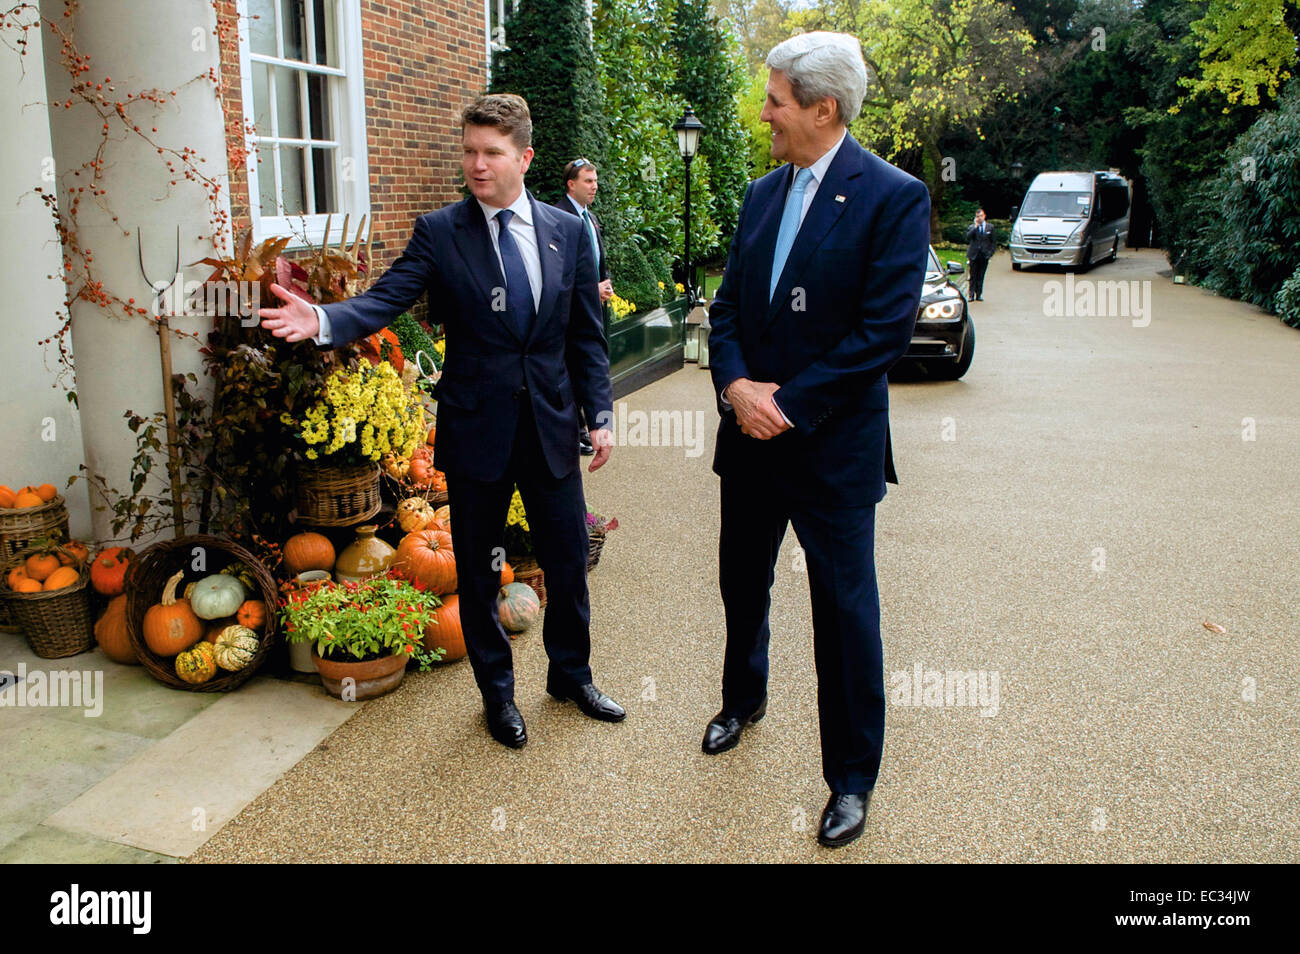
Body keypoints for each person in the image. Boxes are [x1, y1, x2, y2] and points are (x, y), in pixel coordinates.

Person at [258, 93, 624, 750]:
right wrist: (326, 319)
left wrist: (599, 411)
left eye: (491, 153)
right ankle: (499, 698)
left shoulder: (566, 232)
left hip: (549, 428)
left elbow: (584, 335)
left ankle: (571, 676)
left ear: (525, 157)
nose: (476, 166)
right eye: (469, 152)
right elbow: (387, 298)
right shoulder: (440, 231)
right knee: (480, 574)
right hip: (477, 431)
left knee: (567, 566)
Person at [705, 31, 930, 849]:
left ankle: (851, 781)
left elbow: (882, 334)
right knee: (742, 585)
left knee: (843, 615)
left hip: (832, 448)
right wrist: (735, 388)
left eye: (775, 100)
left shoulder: (894, 196)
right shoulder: (763, 193)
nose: (764, 112)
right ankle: (742, 700)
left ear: (822, 108)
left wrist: (786, 405)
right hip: (749, 438)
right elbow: (727, 308)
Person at [552, 158, 614, 456]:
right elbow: (557, 277)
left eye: (596, 180)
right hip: (568, 318)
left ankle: (584, 428)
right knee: (572, 369)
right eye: (588, 181)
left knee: (589, 363)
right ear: (571, 184)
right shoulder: (557, 219)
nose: (594, 186)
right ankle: (574, 432)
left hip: (593, 311)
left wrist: (605, 281)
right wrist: (591, 290)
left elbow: (595, 261)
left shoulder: (590, 218)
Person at [965, 208, 995, 301]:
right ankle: (971, 295)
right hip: (974, 255)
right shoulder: (972, 227)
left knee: (981, 275)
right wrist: (976, 227)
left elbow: (993, 242)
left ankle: (979, 294)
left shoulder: (990, 227)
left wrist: (990, 253)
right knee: (973, 275)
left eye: (981, 216)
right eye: (978, 216)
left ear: (984, 216)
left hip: (984, 255)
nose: (980, 218)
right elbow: (968, 237)